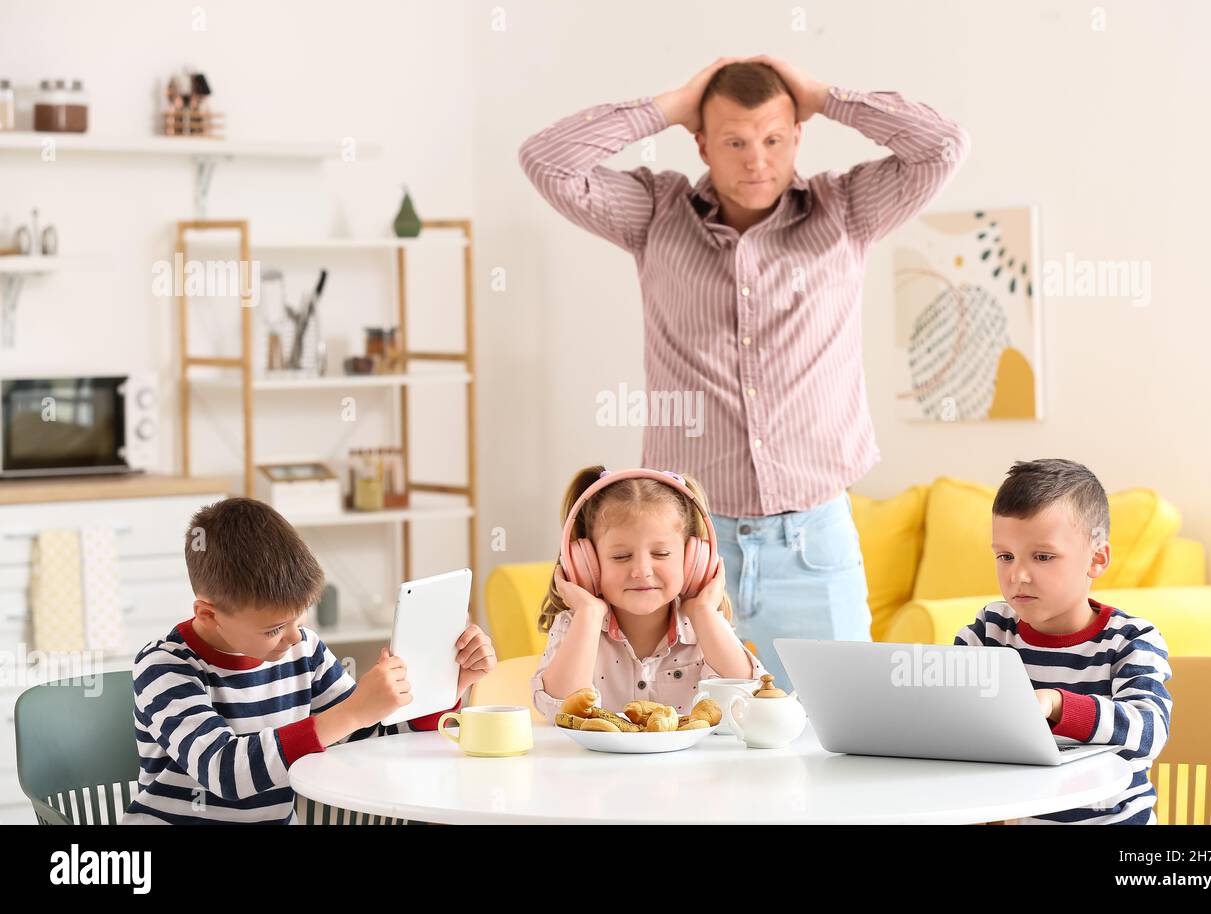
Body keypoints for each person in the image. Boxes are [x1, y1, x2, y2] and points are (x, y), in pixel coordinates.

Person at [520, 56, 970, 688]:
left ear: (797, 136)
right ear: (701, 142)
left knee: (843, 729)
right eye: (733, 140)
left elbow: (942, 146)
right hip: (686, 547)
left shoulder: (846, 211)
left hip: (812, 537)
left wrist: (822, 94)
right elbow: (547, 159)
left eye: (773, 138)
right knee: (689, 732)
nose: (756, 159)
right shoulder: (656, 212)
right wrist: (672, 104)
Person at [123, 496, 496, 824]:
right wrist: (354, 712)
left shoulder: (304, 650)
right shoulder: (165, 667)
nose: (293, 637)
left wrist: (446, 686)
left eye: (300, 619)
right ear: (208, 614)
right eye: (273, 629)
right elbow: (225, 771)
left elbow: (369, 743)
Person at [955, 459, 1173, 824]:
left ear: (1097, 559)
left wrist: (1058, 705)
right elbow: (947, 715)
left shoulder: (1131, 641)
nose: (1017, 575)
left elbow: (1148, 732)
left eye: (1042, 557)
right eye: (1005, 556)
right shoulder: (989, 633)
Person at [531, 466, 763, 721]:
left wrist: (703, 611)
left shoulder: (703, 626)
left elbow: (748, 701)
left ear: (693, 559)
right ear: (588, 564)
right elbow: (561, 712)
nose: (641, 571)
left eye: (661, 554)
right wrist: (589, 613)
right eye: (621, 556)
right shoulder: (576, 625)